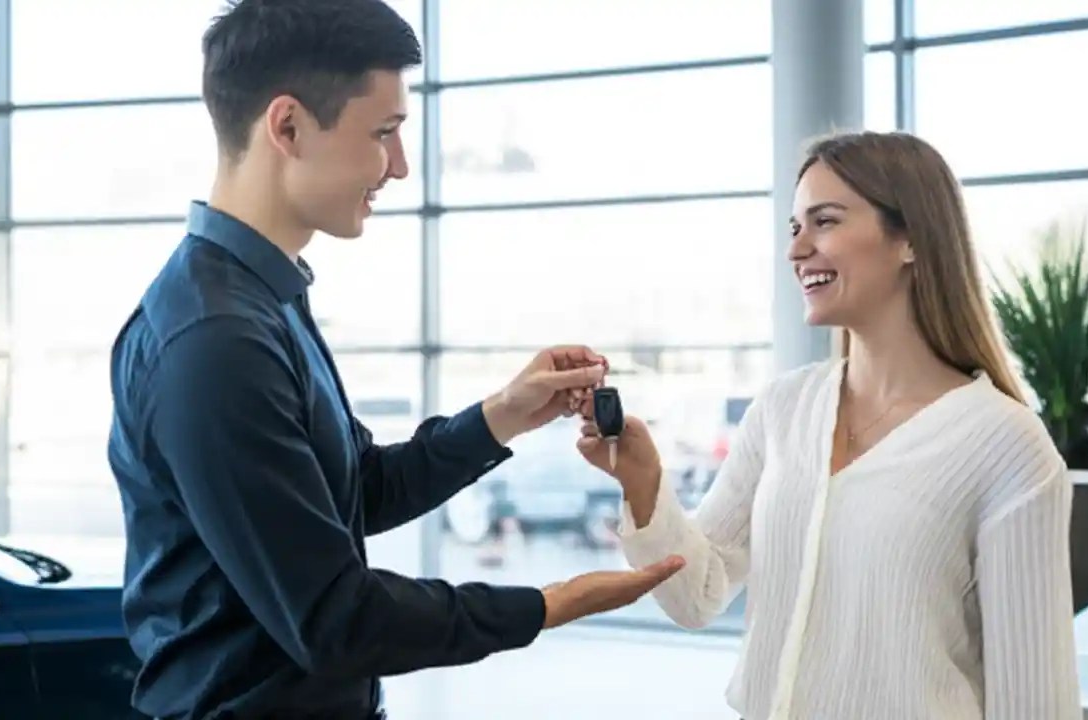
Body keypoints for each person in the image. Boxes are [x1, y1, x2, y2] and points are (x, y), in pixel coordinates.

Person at [105, 1, 683, 719]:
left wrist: (500, 417)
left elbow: (358, 493)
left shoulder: (261, 298)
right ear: (286, 126)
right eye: (383, 134)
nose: (400, 166)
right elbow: (335, 621)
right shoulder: (215, 340)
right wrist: (550, 605)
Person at [578, 131, 1081, 719]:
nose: (797, 250)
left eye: (825, 221)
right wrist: (643, 482)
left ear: (911, 238)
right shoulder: (784, 409)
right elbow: (700, 593)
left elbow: (1036, 703)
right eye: (795, 228)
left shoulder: (1007, 446)